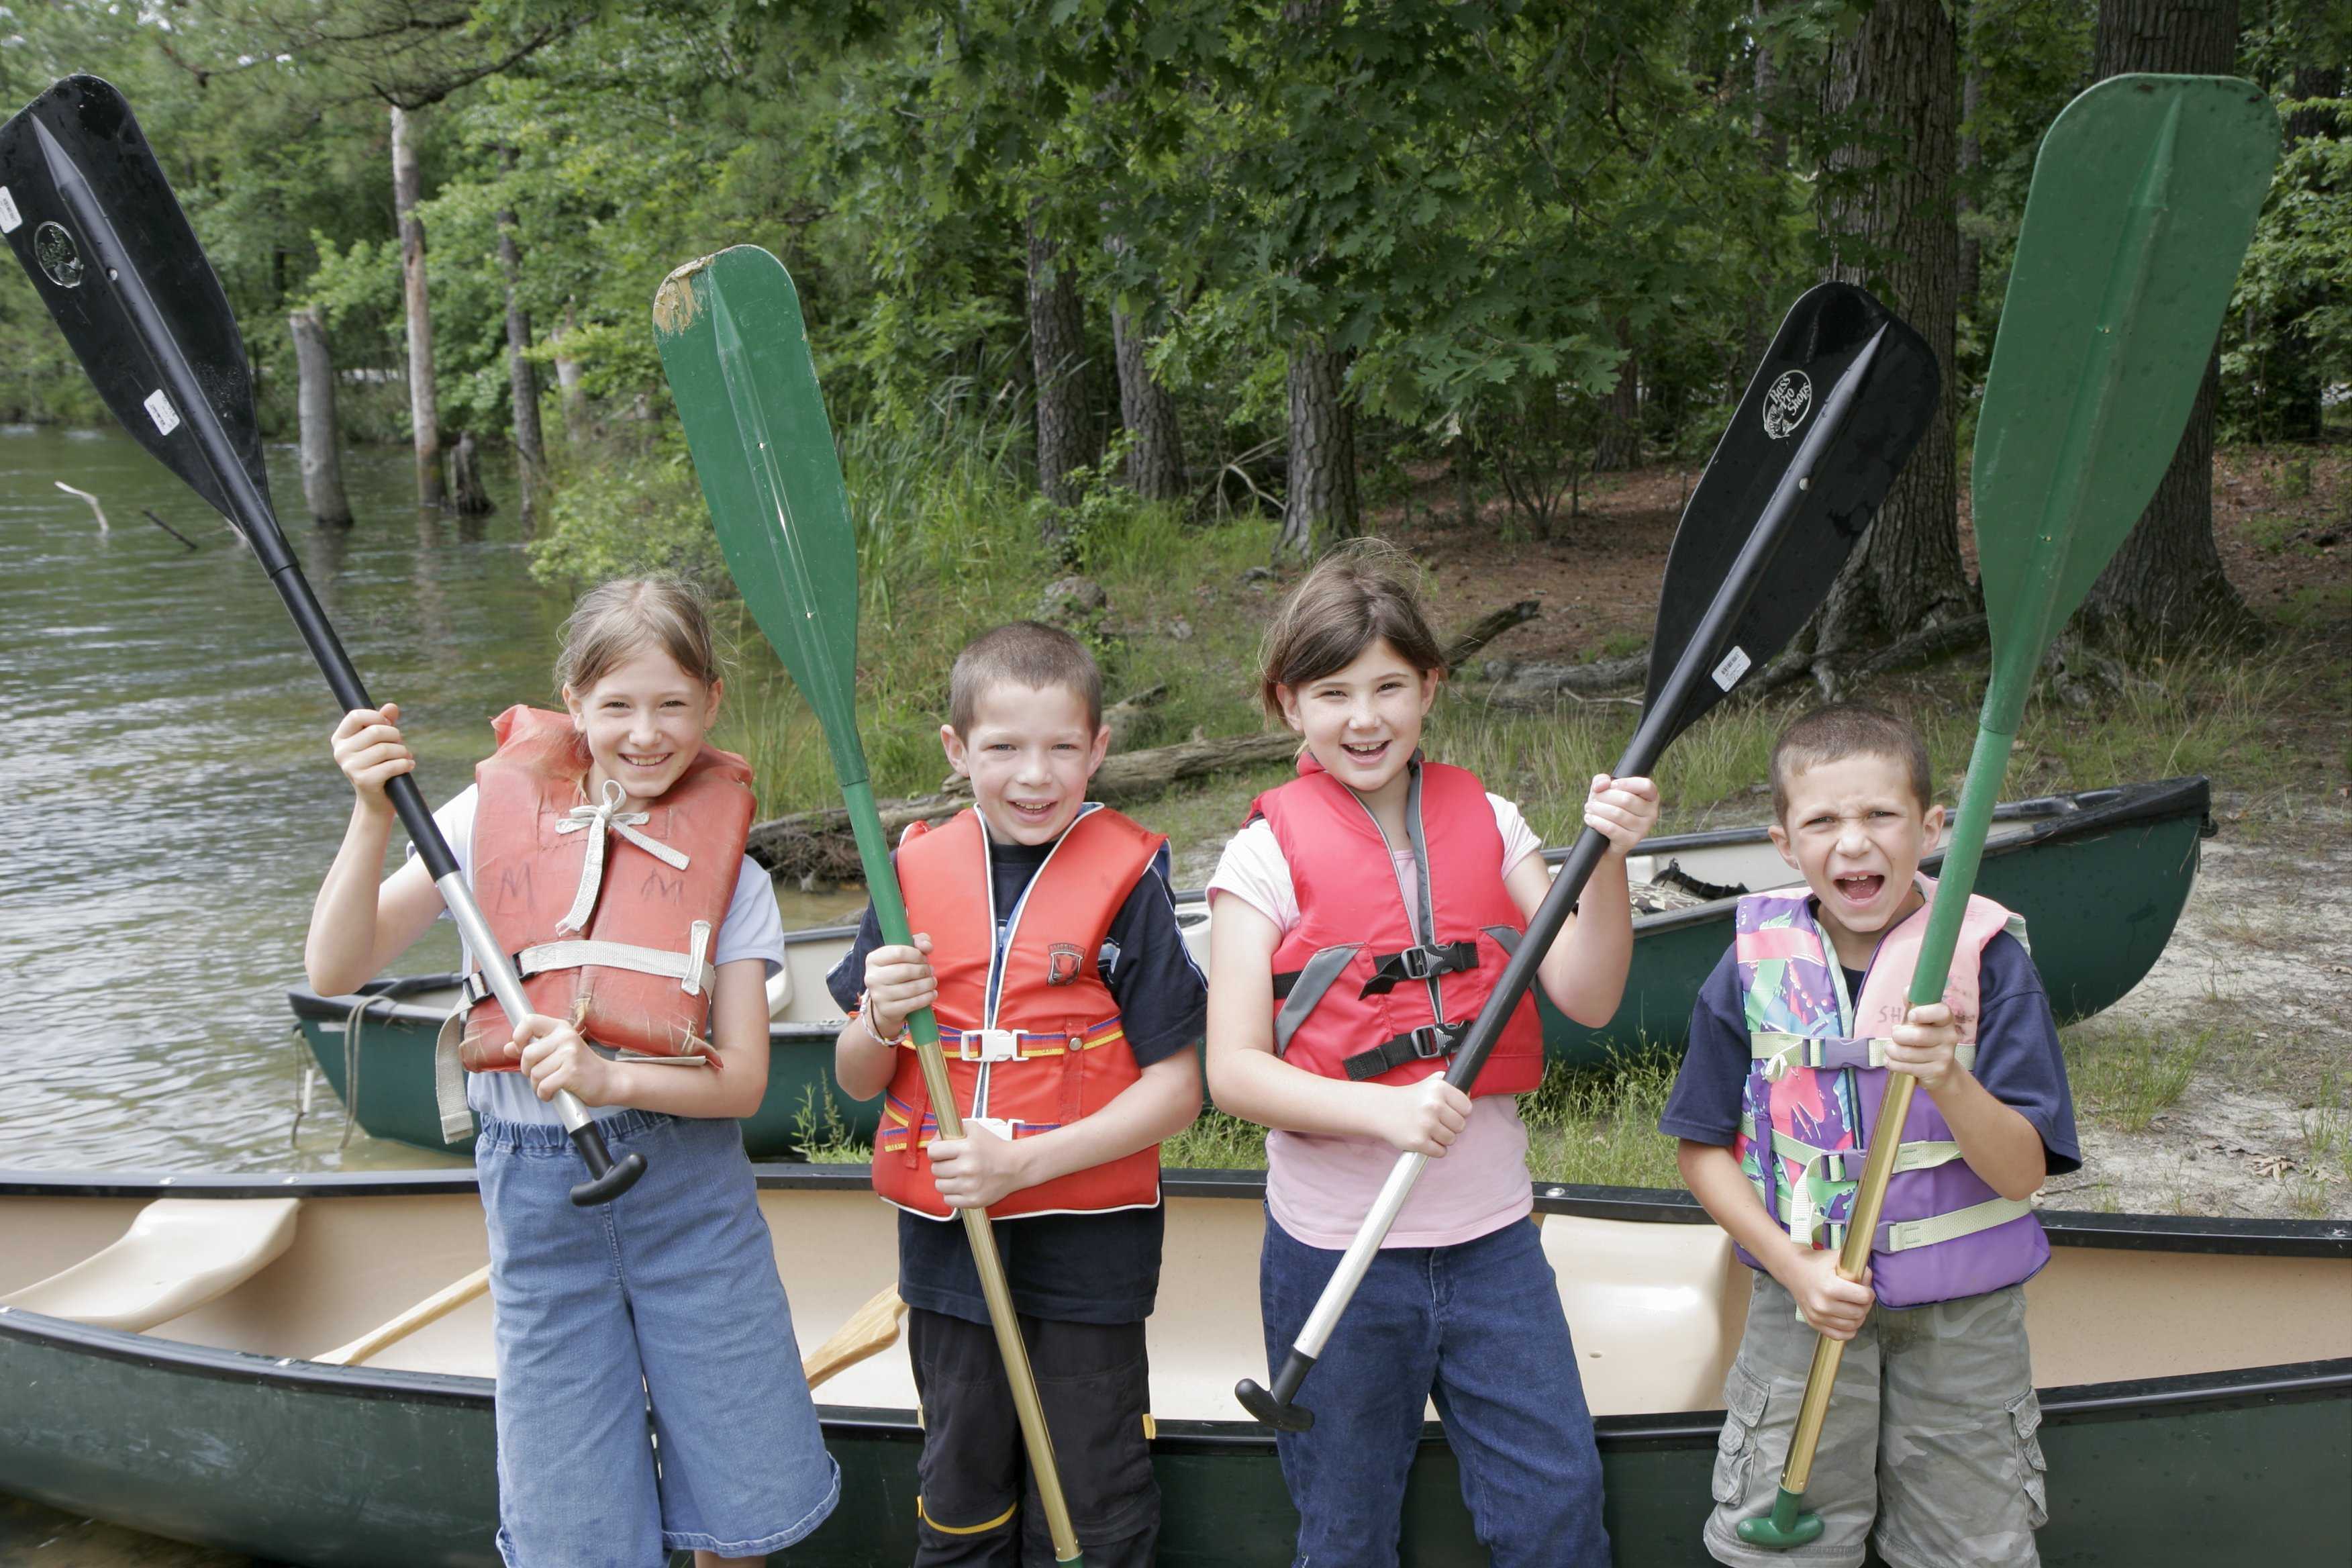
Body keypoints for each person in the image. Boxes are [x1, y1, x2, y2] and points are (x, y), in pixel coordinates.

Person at [306, 577, 840, 1568]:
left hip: (690, 1200)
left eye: (673, 704)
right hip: (538, 1204)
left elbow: (741, 1087)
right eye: (618, 707)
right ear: (574, 700)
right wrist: (372, 813)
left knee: (741, 1510)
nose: (647, 734)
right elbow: (334, 968)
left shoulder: (740, 881)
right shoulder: (477, 821)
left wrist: (611, 1079)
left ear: (713, 703)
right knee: (575, 1534)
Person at [1204, 540, 1658, 1568]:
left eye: (1389, 688)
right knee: (1348, 1530)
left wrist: (1613, 864)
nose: (1364, 719)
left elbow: (1586, 990)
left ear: (1431, 688)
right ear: (1289, 705)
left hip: (1494, 1245)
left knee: (1553, 1510)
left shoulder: (1493, 825)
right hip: (1336, 1258)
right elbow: (1233, 1070)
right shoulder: (1260, 857)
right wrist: (1383, 1111)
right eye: (1333, 693)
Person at [1658, 702, 2080, 1568]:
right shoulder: (1750, 963)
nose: (1853, 843)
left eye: (1880, 815)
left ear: (1930, 828)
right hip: (1803, 1304)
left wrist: (1949, 1079)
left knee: (1968, 1550)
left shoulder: (1989, 960)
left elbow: (2022, 1174)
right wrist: (1794, 1268)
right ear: (1783, 843)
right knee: (1780, 1549)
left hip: (1962, 1324)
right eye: (1822, 821)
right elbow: (1701, 1151)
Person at [826, 620, 1207, 1567]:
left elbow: (1179, 1092)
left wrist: (1023, 1163)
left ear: (1099, 750)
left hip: (1088, 1248)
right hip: (953, 1252)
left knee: (1090, 1492)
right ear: (958, 752)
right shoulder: (907, 874)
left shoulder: (1130, 887)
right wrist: (877, 1016)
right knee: (958, 1487)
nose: (1034, 776)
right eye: (1004, 749)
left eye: (1061, 750)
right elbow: (856, 1076)